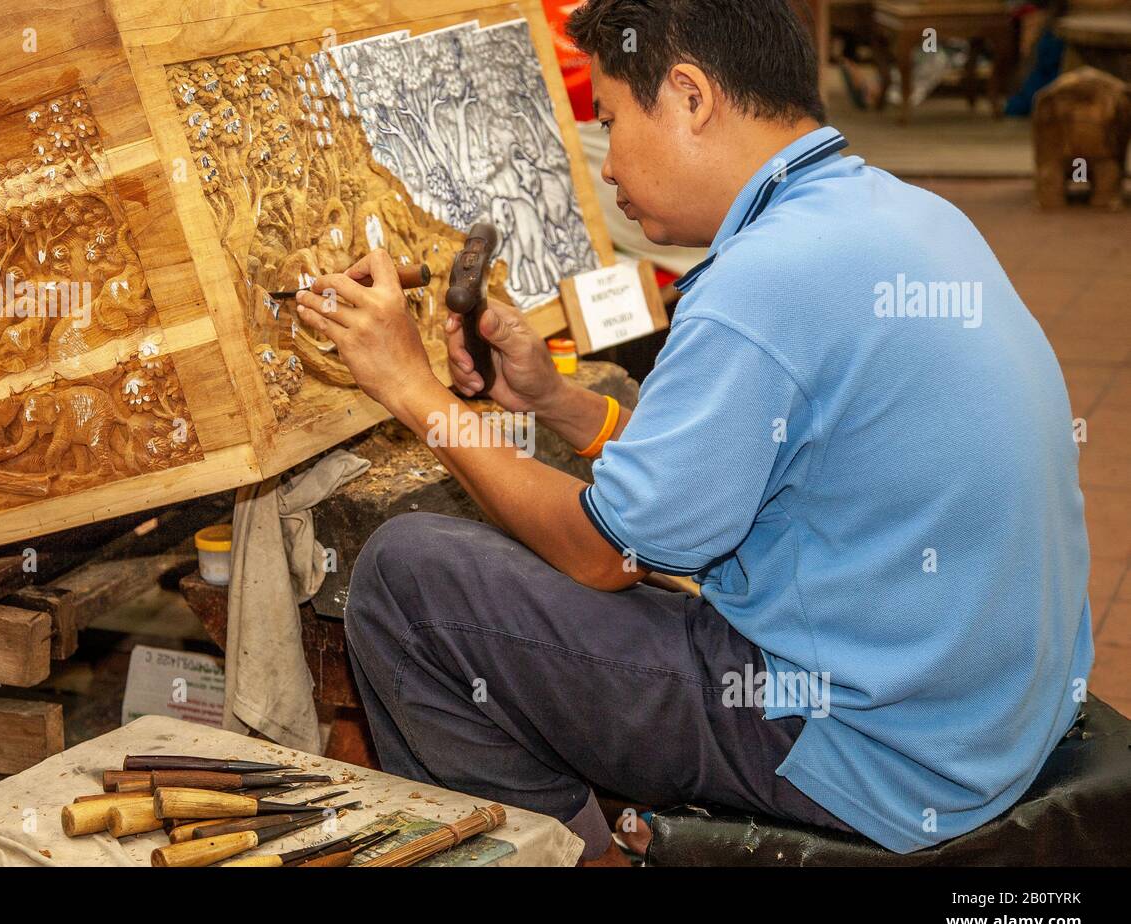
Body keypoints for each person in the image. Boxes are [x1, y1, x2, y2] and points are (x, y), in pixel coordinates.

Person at [293, 0, 1092, 862]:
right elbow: (740, 462)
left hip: (880, 752)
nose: (607, 167)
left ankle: (574, 855)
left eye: (609, 120)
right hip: (991, 719)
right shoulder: (900, 213)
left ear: (688, 95)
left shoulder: (763, 281)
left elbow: (608, 555)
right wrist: (556, 401)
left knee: (411, 580)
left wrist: (414, 390)